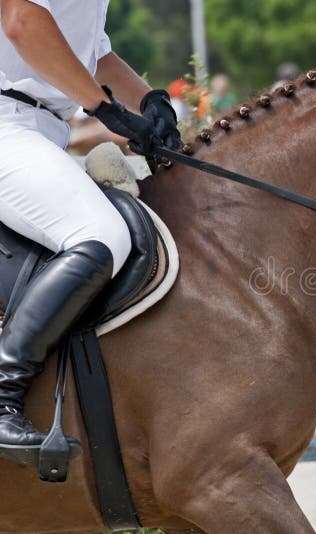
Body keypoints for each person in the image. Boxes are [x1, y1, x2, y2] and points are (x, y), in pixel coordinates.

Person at [0, 0, 182, 464]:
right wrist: (104, 108)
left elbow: (93, 54)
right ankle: (3, 396)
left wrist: (148, 100)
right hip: (7, 124)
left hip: (41, 130)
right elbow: (21, 21)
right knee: (99, 234)